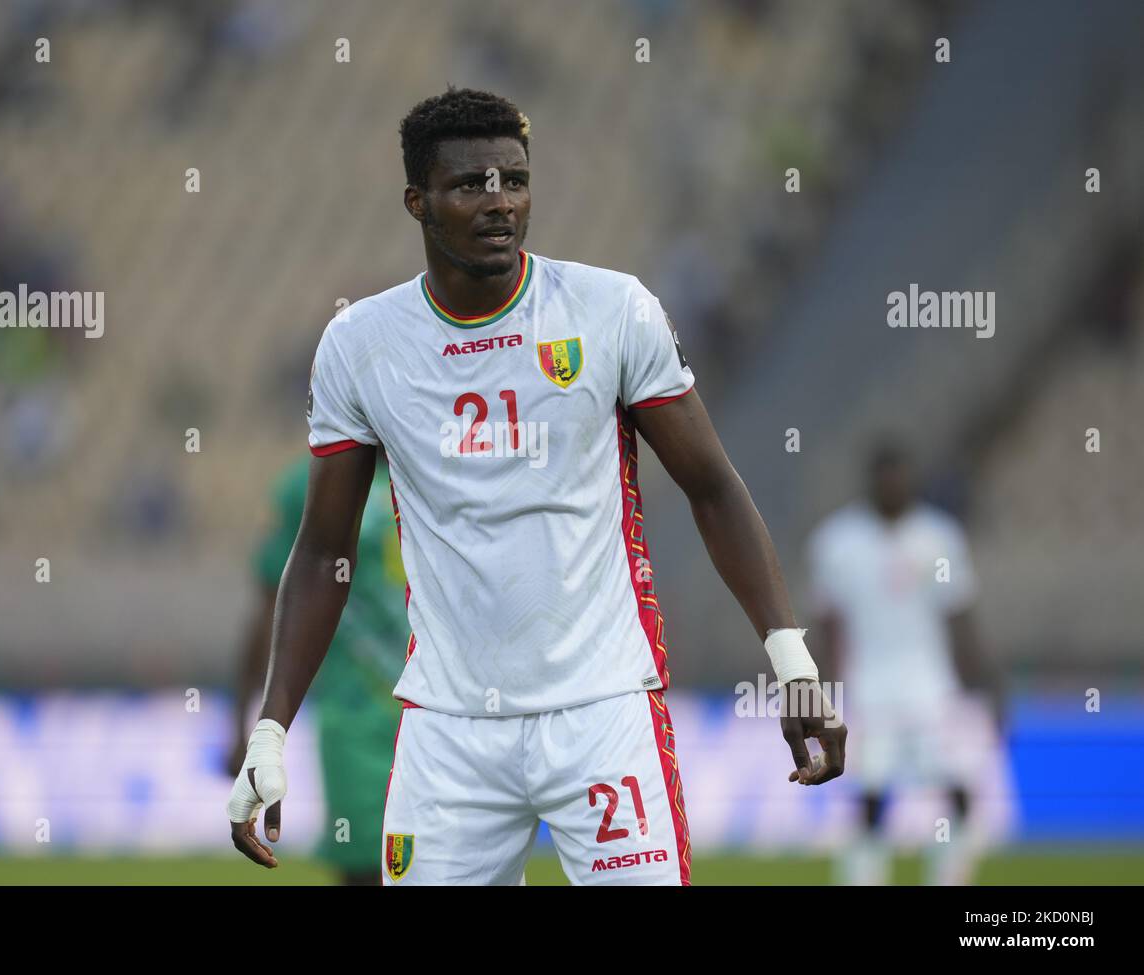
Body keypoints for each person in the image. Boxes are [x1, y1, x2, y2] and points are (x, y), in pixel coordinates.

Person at [227, 86, 845, 885]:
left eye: (513, 180)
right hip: (449, 732)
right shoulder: (361, 345)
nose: (498, 203)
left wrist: (793, 663)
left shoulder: (610, 311)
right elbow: (320, 553)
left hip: (603, 711)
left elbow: (713, 487)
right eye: (468, 185)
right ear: (417, 201)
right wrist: (270, 731)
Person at [806, 439, 1002, 885]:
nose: (894, 486)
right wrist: (819, 690)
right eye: (885, 477)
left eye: (901, 476)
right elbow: (828, 624)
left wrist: (987, 682)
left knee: (955, 788)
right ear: (872, 482)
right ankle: (863, 876)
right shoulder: (839, 542)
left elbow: (960, 615)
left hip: (930, 684)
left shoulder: (938, 537)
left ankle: (949, 872)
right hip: (870, 686)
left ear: (911, 480)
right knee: (872, 793)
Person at [229, 451, 407, 885]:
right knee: (366, 870)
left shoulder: (439, 461)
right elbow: (273, 607)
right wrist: (249, 728)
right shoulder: (309, 484)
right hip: (356, 717)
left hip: (445, 711)